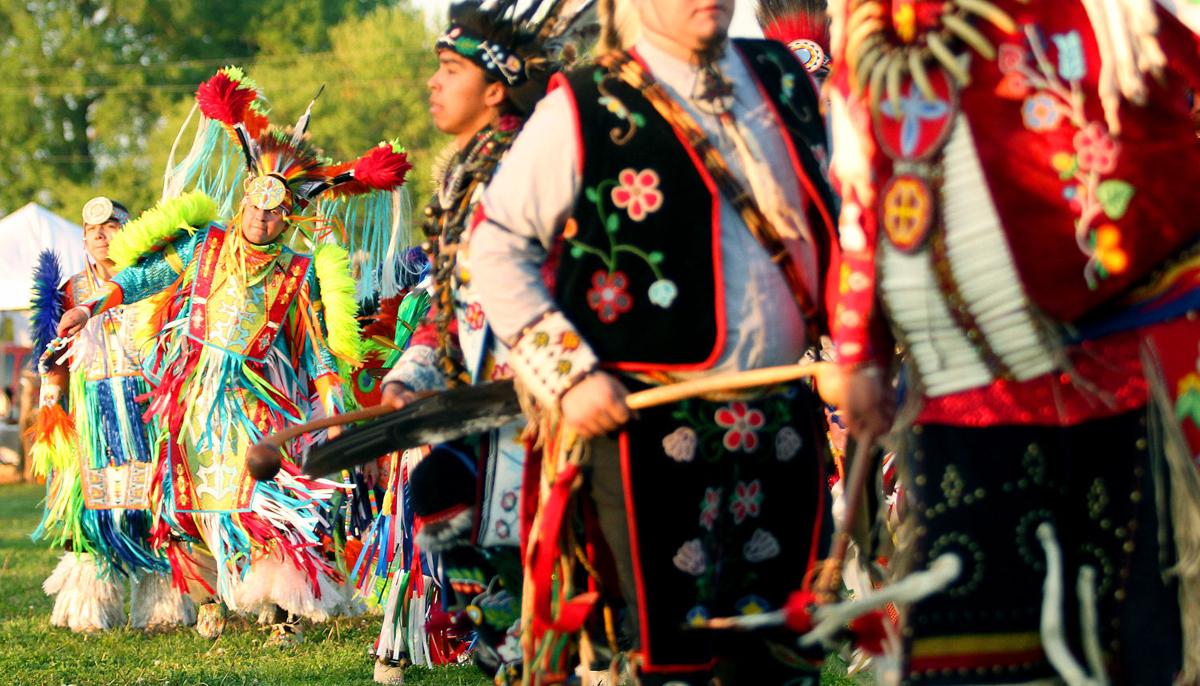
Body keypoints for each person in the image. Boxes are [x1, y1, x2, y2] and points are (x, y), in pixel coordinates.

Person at [467, 0, 841, 682]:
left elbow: (848, 215)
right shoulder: (586, 104)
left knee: (780, 656)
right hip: (645, 431)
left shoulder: (785, 77)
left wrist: (855, 351)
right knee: (669, 658)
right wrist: (570, 375)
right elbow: (495, 244)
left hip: (783, 418)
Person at [827, 1, 1200, 682]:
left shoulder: (1081, 14)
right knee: (975, 647)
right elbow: (864, 200)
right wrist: (860, 349)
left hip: (1117, 380)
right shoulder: (869, 36)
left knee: (1134, 635)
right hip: (961, 400)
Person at [57, 66, 413, 645]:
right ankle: (209, 601)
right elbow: (144, 277)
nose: (261, 217)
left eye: (274, 211)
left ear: (287, 215)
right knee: (186, 500)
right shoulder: (206, 245)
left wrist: (333, 411)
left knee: (265, 499)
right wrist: (90, 306)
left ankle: (285, 613)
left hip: (256, 401)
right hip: (192, 397)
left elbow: (317, 351)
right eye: (255, 206)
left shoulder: (298, 272)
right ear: (244, 200)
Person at [372, 3, 590, 683]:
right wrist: (411, 376)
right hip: (486, 406)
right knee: (441, 493)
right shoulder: (465, 174)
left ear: (496, 88)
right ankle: (517, 647)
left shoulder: (534, 163)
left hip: (554, 400)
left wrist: (559, 375)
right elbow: (449, 306)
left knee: (562, 569)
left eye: (450, 69)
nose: (432, 83)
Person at [29, 197, 192, 633]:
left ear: (130, 230)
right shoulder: (70, 291)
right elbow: (53, 360)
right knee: (94, 512)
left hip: (149, 408)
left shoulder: (156, 282)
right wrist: (49, 410)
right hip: (94, 417)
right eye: (92, 230)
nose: (101, 236)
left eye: (112, 226)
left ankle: (162, 609)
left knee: (156, 507)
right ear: (84, 238)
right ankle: (91, 610)